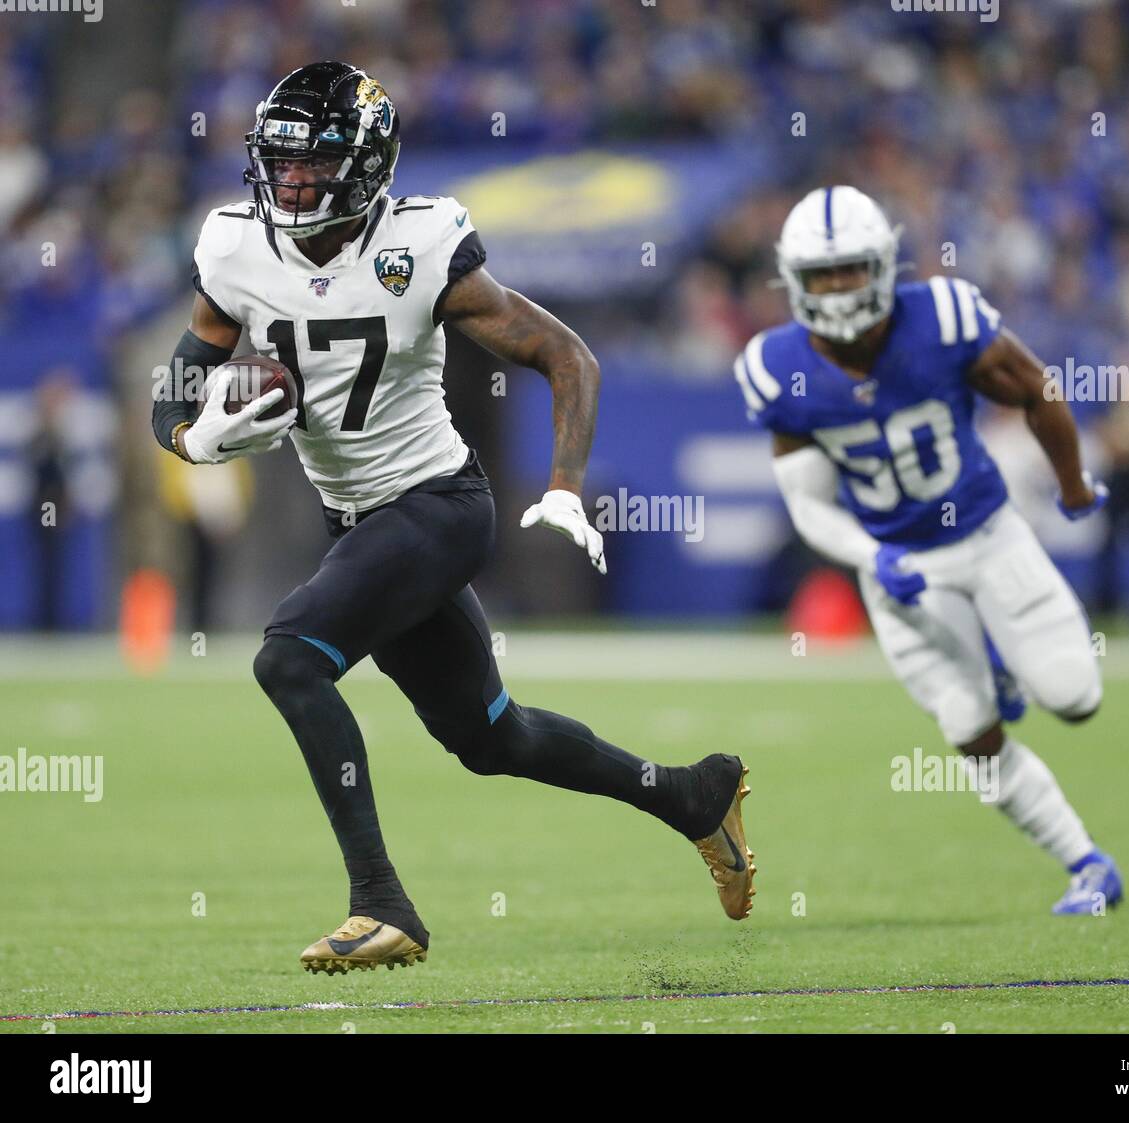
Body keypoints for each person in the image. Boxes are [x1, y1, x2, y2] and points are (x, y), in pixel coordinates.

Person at [151, 62, 755, 974]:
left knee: (288, 657)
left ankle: (379, 904)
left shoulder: (420, 244)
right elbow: (175, 394)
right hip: (359, 523)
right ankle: (691, 796)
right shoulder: (236, 249)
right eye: (280, 165)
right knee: (490, 737)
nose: (292, 185)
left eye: (313, 167)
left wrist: (561, 483)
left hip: (438, 505)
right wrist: (199, 441)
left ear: (365, 167)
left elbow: (567, 356)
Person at [738, 186, 1119, 914]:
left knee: (1075, 696)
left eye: (852, 268)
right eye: (823, 274)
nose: (840, 287)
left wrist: (1073, 486)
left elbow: (1037, 389)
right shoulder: (777, 367)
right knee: (968, 728)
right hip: (900, 569)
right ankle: (1087, 863)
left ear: (883, 264)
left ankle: (1005, 662)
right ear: (793, 278)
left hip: (986, 533)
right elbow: (809, 503)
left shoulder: (941, 319)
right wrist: (868, 554)